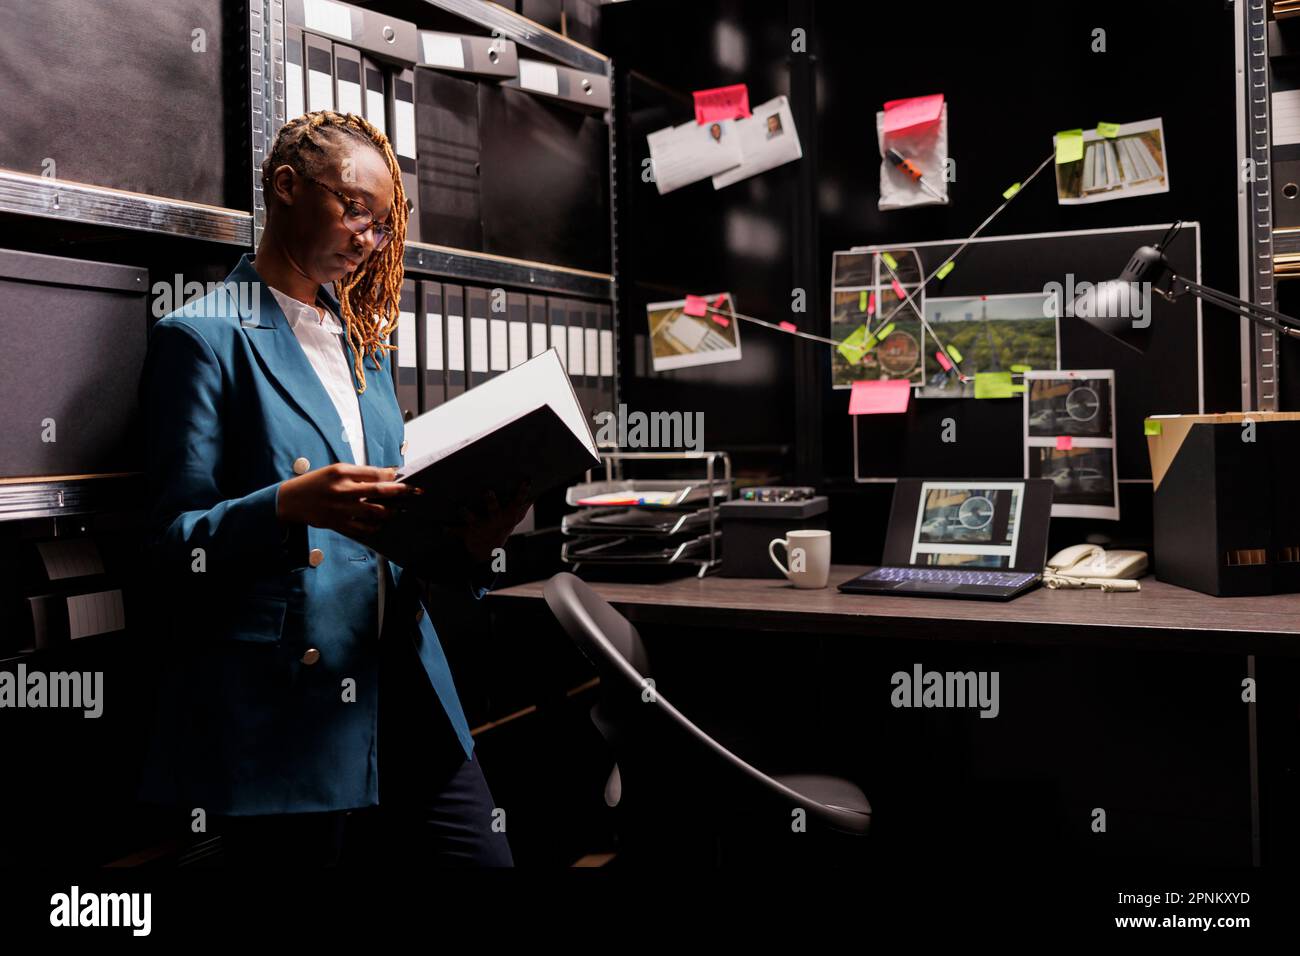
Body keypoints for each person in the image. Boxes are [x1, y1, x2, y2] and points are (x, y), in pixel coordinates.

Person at [136, 109, 530, 866]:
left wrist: (467, 542)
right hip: (294, 700)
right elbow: (168, 546)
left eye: (382, 227)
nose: (369, 240)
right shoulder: (201, 337)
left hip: (403, 680)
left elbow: (392, 527)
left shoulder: (364, 350)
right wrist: (286, 506)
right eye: (356, 211)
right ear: (286, 187)